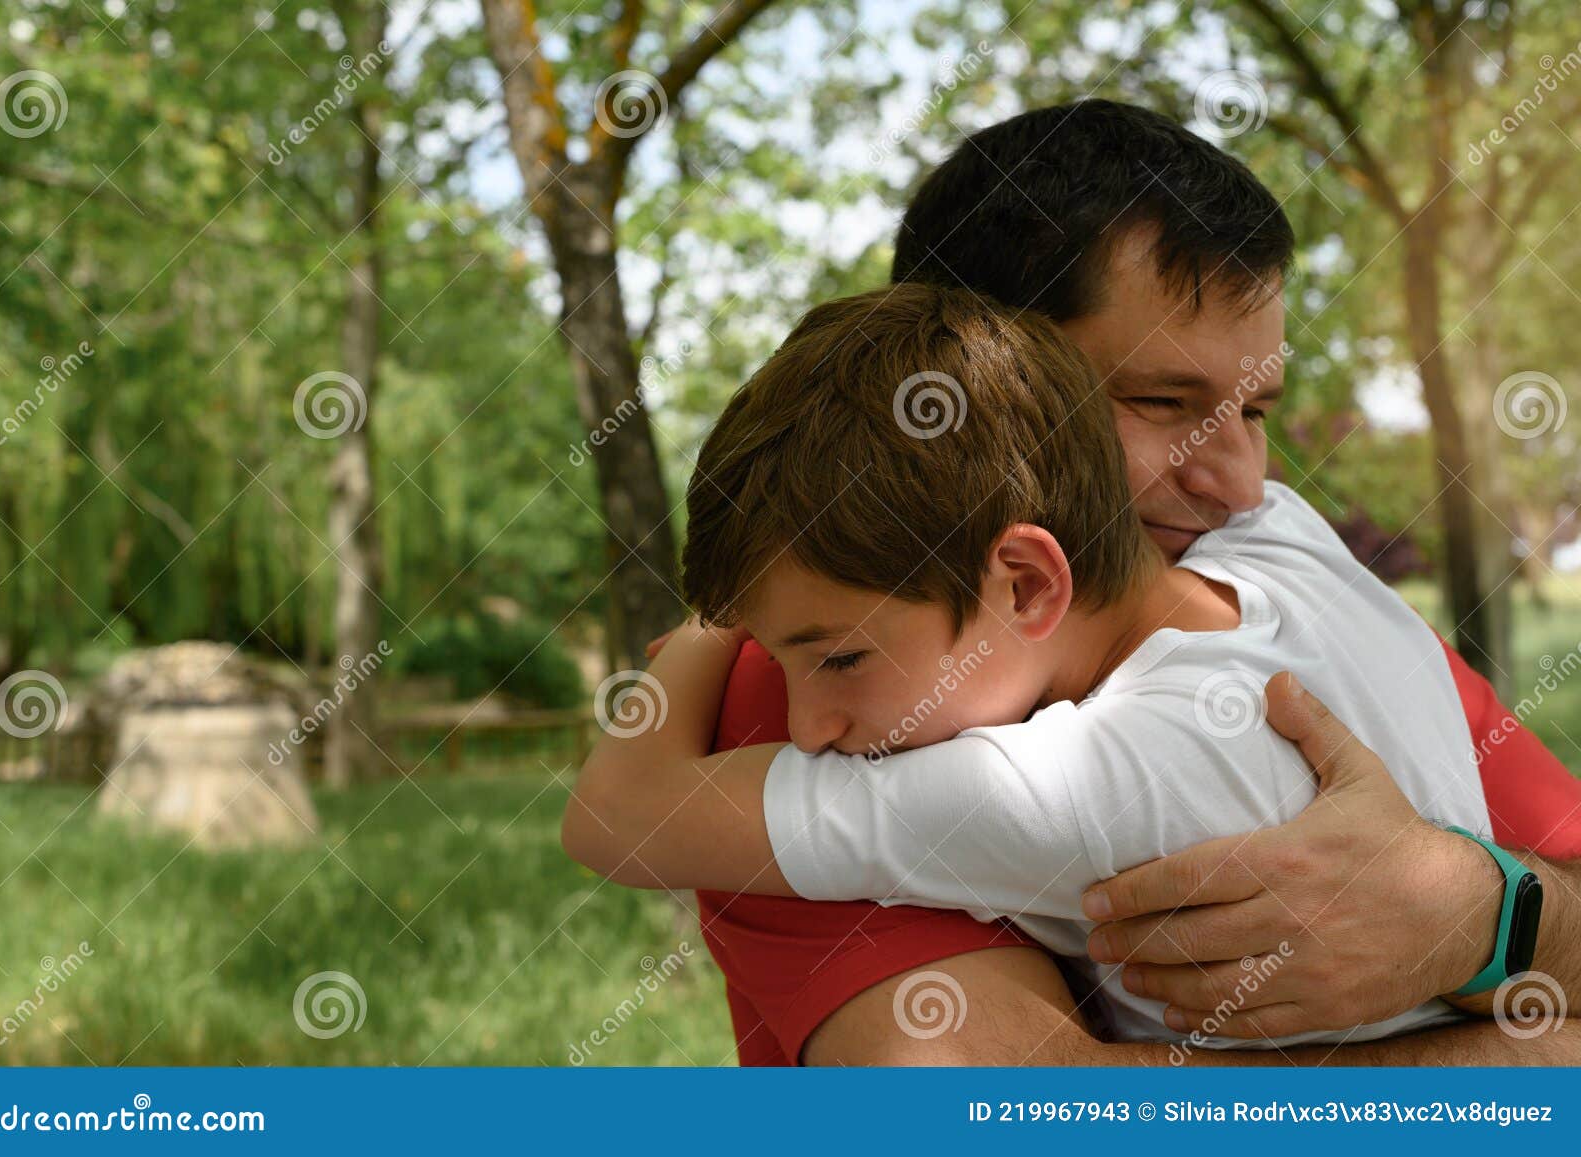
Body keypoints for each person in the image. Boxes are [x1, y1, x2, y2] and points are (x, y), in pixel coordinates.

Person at [650, 100, 1581, 1065]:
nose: (1241, 485)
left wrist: (1487, 919)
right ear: (974, 388)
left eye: (1256, 409)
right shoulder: (837, 695)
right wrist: (1536, 1063)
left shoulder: (1277, 595)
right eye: (1159, 401)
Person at [564, 281, 1516, 1055]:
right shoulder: (1283, 538)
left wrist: (704, 634)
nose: (809, 723)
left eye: (839, 657)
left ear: (1025, 584)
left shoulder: (1073, 787)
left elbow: (616, 817)